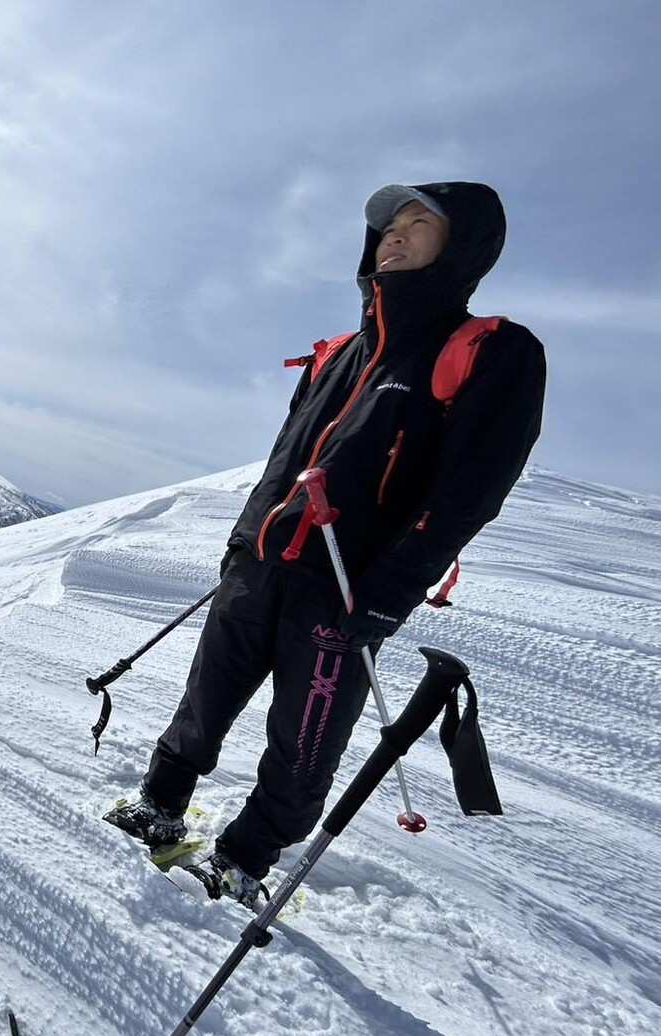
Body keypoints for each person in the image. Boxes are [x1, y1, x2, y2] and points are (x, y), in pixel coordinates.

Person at [106, 182, 546, 905]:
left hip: (345, 588)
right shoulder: (337, 352)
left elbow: (469, 491)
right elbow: (288, 451)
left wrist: (386, 594)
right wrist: (244, 538)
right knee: (203, 698)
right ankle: (160, 802)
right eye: (385, 226)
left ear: (461, 246)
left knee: (302, 743)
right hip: (261, 562)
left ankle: (242, 858)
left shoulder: (490, 352)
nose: (392, 237)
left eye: (416, 224)